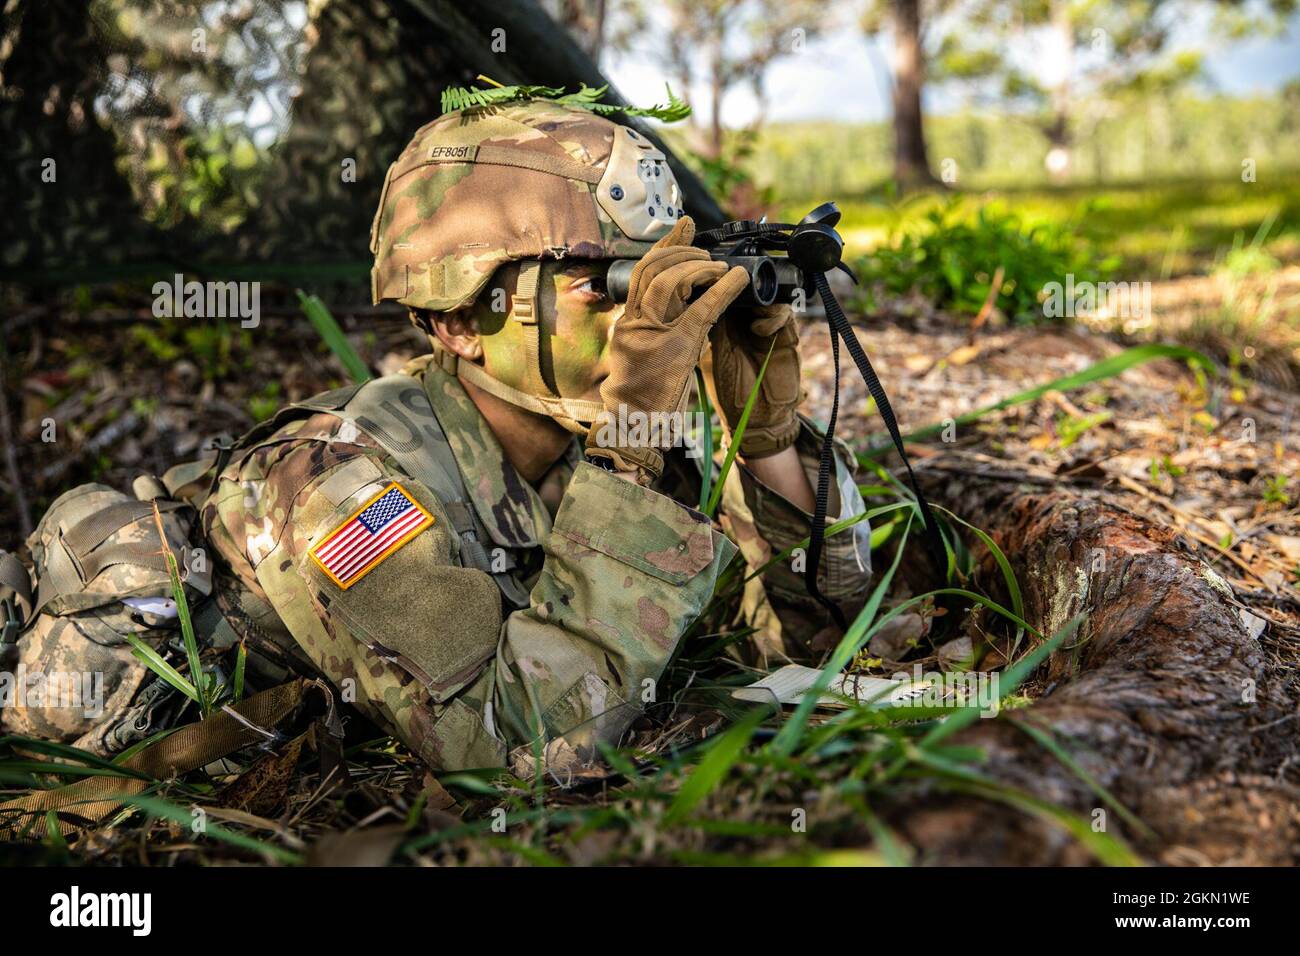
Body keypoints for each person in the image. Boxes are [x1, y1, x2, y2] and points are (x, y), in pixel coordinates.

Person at [1, 99, 872, 774]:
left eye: (659, 279)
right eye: (605, 286)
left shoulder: (609, 452)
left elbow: (812, 643)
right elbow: (510, 752)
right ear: (457, 322)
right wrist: (633, 449)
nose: (644, 318)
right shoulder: (340, 483)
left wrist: (765, 439)